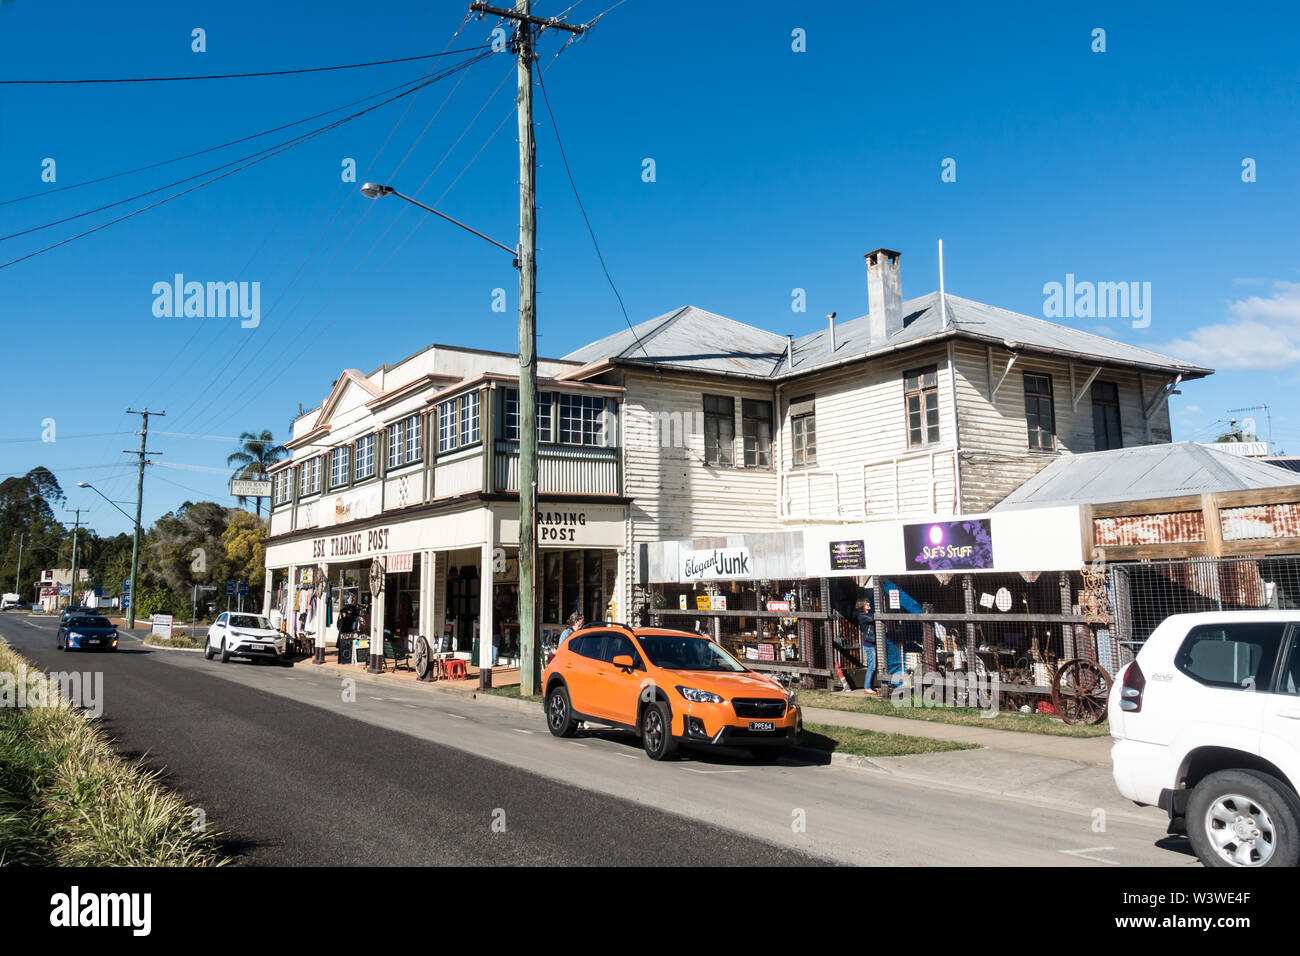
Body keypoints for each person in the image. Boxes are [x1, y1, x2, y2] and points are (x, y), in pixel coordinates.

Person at [853, 597, 878, 696]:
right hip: (869, 643)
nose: (868, 603)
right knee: (872, 666)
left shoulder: (868, 614)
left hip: (872, 643)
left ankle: (870, 686)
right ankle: (867, 687)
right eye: (866, 603)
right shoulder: (862, 616)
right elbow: (873, 618)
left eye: (868, 602)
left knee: (874, 665)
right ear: (861, 606)